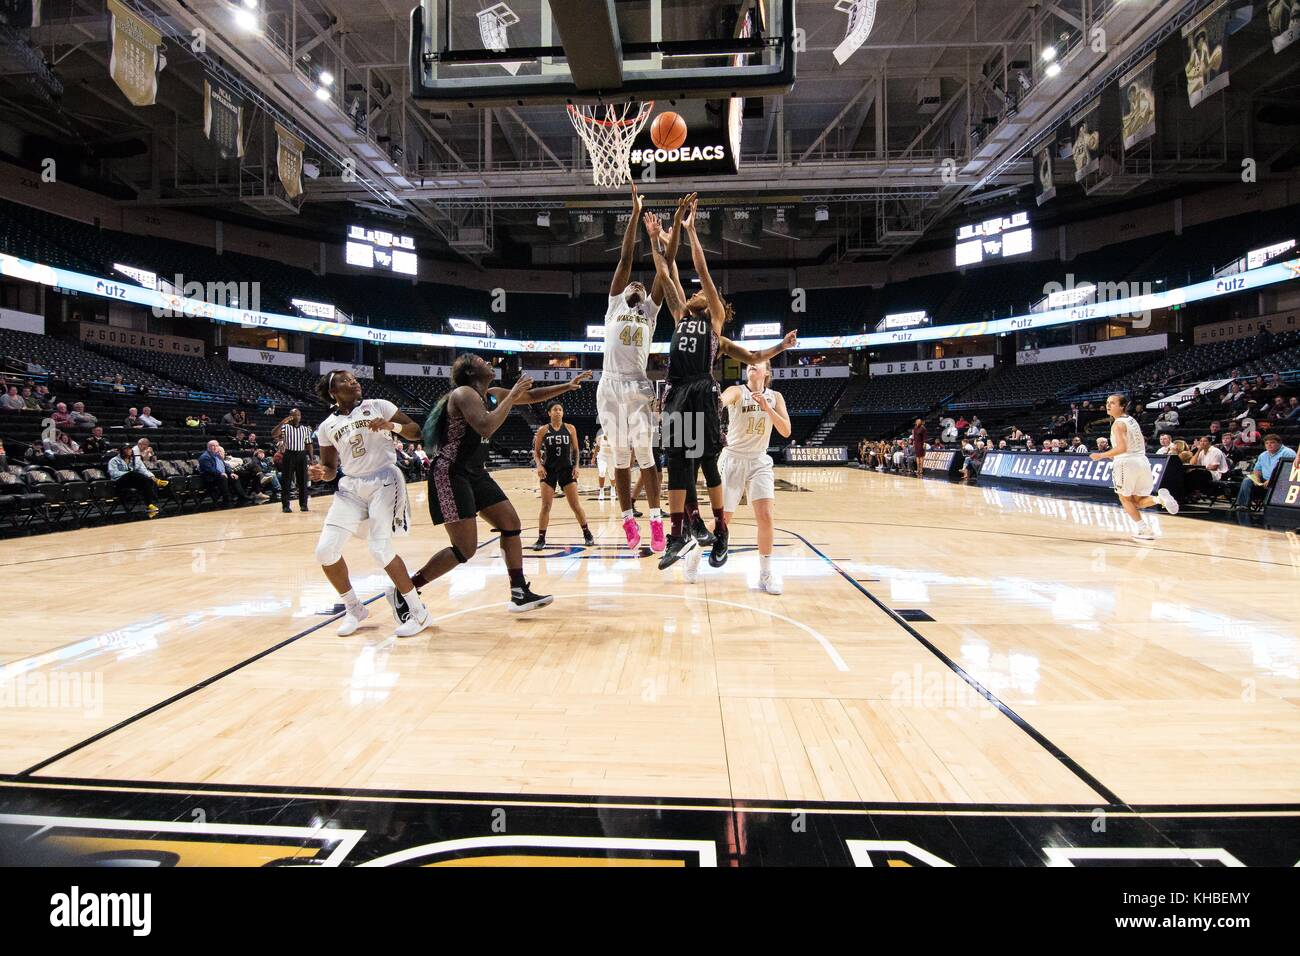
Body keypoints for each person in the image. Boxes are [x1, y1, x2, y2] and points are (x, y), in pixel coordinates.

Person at [642, 195, 796, 569]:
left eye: (702, 294)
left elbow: (701, 272)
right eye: (693, 293)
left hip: (698, 388)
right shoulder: (680, 314)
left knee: (707, 460)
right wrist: (656, 238)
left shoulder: (713, 322)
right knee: (677, 461)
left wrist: (691, 230)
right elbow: (665, 272)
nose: (695, 292)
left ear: (719, 309)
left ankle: (719, 530)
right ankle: (678, 534)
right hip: (676, 392)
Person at [404, 354, 588, 616]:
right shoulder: (464, 393)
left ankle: (519, 592)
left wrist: (566, 386)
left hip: (475, 472)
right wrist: (512, 396)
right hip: (451, 473)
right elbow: (485, 427)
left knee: (511, 524)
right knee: (465, 549)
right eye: (481, 361)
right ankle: (407, 591)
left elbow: (533, 397)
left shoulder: (491, 393)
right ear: (470, 372)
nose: (489, 362)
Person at [307, 370, 431, 637]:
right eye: (345, 380)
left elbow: (416, 432)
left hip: (384, 479)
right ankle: (354, 609)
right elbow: (330, 468)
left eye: (354, 378)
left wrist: (391, 426)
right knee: (325, 551)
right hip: (351, 485)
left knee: (379, 548)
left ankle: (419, 612)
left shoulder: (378, 406)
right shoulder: (327, 426)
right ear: (333, 392)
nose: (353, 381)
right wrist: (321, 472)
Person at [594, 183, 666, 552]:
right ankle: (627, 520)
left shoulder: (650, 314)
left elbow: (663, 275)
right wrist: (635, 214)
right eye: (632, 284)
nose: (636, 283)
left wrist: (663, 242)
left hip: (638, 386)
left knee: (647, 457)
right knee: (620, 457)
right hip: (609, 385)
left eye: (640, 284)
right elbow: (624, 261)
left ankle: (656, 522)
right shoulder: (614, 308)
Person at [711, 360, 790, 593]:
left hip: (759, 460)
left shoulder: (776, 396)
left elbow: (785, 430)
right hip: (733, 458)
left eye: (758, 364)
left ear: (767, 372)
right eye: (750, 364)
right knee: (723, 520)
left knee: (765, 515)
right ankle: (695, 549)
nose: (752, 366)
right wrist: (713, 398)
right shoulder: (738, 391)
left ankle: (765, 575)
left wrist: (768, 408)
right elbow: (721, 401)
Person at [1091, 394, 1179, 541]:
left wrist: (1101, 455)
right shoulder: (1132, 420)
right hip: (1142, 461)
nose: (1108, 405)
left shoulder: (1118, 424)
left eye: (1112, 403)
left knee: (1125, 499)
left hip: (1126, 463)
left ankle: (1144, 529)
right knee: (1137, 501)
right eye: (1107, 402)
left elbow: (1122, 448)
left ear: (1122, 406)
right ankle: (1160, 500)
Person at [532, 402, 594, 551]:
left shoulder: (570, 428)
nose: (558, 412)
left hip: (566, 470)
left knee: (575, 505)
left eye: (560, 409)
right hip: (549, 470)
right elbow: (536, 452)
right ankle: (541, 538)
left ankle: (587, 533)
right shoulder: (543, 430)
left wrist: (577, 466)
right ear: (549, 413)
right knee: (546, 506)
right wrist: (539, 466)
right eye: (555, 410)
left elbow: (576, 450)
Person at [1233, 434, 1296, 511]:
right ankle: (1243, 506)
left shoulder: (1288, 453)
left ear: (1279, 443)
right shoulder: (1263, 455)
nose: (1269, 445)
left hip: (1281, 480)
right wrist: (1256, 477)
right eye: (1267, 443)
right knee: (1247, 480)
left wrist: (1272, 480)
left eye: (1272, 443)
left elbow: (1289, 472)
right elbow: (1257, 469)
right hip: (1264, 480)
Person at [273, 407, 313, 513]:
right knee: (286, 481)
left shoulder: (305, 429)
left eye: (298, 415)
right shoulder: (285, 427)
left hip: (301, 455)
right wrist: (282, 422)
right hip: (289, 454)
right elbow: (273, 434)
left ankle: (303, 504)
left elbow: (309, 444)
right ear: (290, 416)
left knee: (303, 481)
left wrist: (311, 458)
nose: (297, 417)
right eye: (294, 415)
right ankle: (285, 506)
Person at [108, 444, 160, 518]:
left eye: (130, 449)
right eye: (126, 449)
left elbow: (143, 469)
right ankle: (154, 495)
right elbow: (113, 473)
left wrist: (151, 476)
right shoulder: (113, 460)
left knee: (146, 481)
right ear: (122, 451)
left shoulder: (134, 460)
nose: (129, 450)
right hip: (118, 482)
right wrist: (128, 473)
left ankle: (149, 505)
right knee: (133, 473)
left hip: (131, 480)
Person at [198, 440, 249, 507]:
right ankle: (227, 498)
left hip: (220, 475)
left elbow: (225, 465)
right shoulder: (205, 457)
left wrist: (231, 473)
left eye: (217, 446)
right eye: (213, 446)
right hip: (211, 478)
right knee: (223, 477)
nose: (215, 447)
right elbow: (209, 469)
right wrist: (220, 473)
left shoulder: (217, 455)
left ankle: (242, 496)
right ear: (208, 447)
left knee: (234, 477)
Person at [593, 428, 615, 501]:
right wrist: (593, 457)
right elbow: (597, 447)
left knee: (612, 475)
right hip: (602, 456)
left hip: (611, 457)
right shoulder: (600, 438)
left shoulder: (615, 438)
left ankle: (613, 488)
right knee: (602, 472)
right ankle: (601, 492)